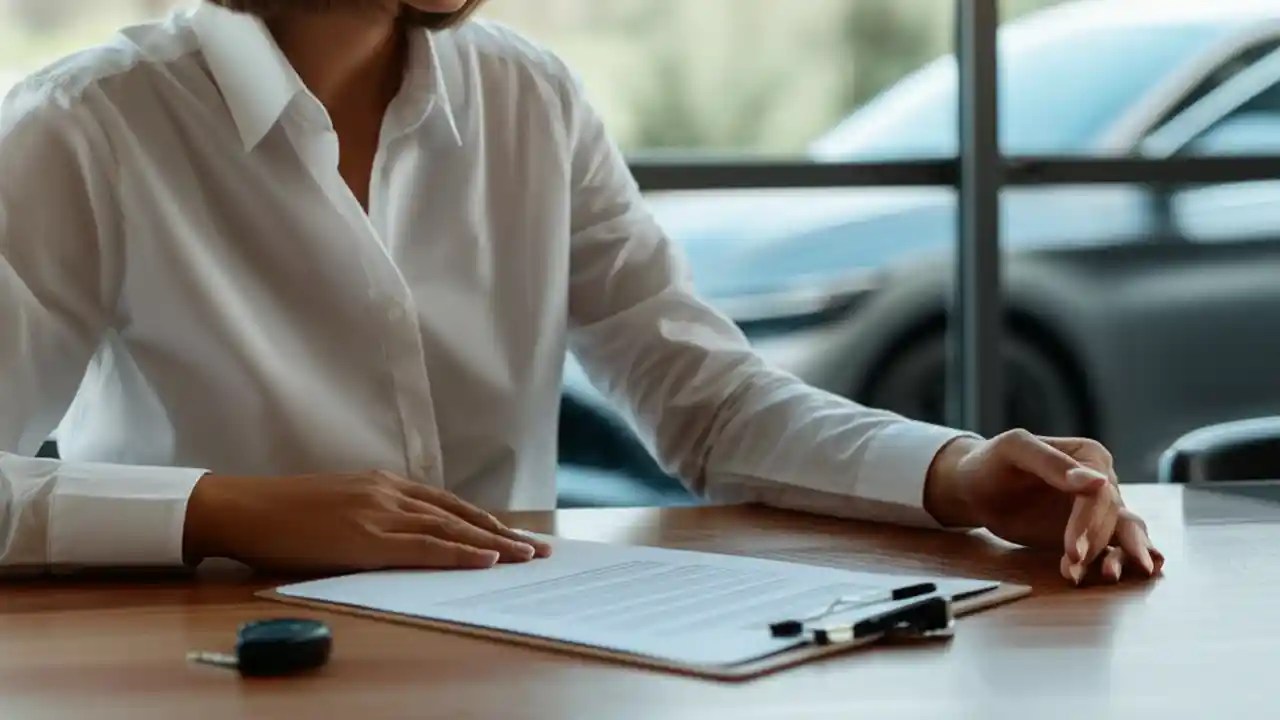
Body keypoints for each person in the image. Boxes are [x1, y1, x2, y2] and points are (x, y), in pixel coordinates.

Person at [0, 0, 1162, 584]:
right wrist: (225, 510)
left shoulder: (529, 100)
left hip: (513, 655)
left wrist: (950, 472)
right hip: (208, 667)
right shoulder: (86, 132)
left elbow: (707, 403)